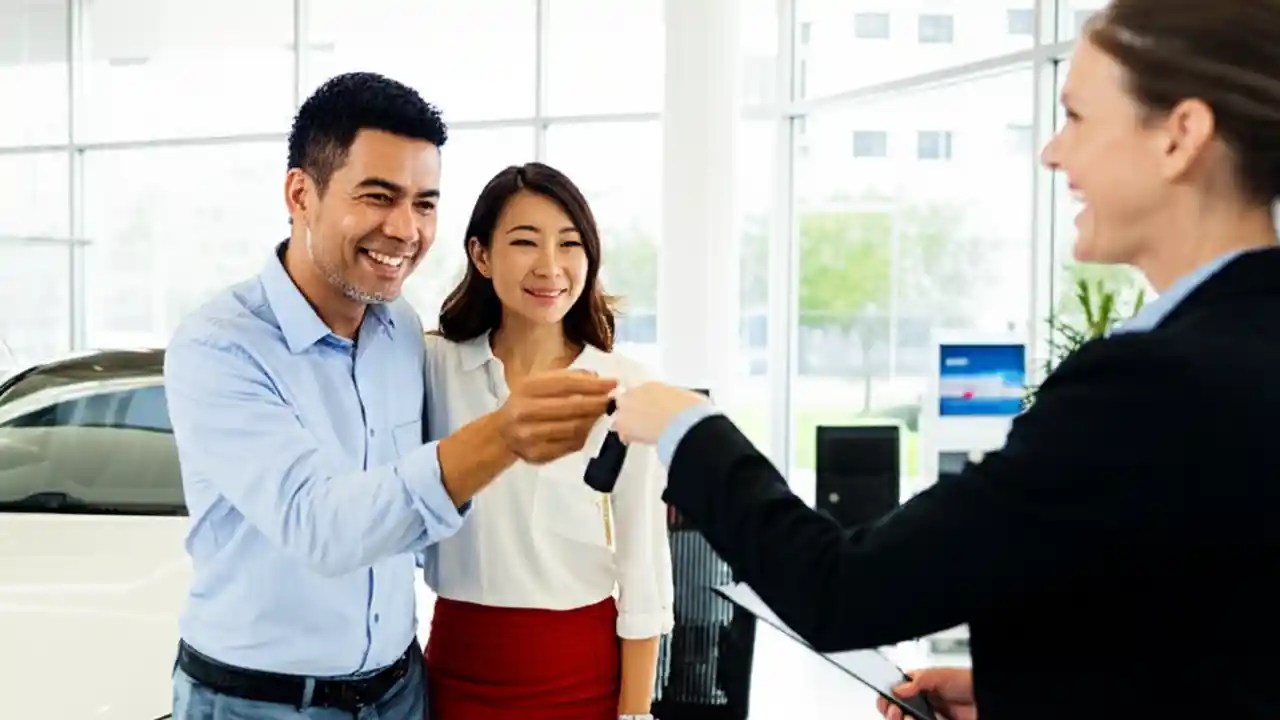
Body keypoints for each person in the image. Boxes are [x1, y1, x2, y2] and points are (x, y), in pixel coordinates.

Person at [609, 1, 1280, 717]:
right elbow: (1217, 636)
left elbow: (843, 589)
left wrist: (688, 426)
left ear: (1180, 136)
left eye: (1078, 116)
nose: (1052, 151)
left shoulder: (1144, 388)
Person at [163, 74, 616, 719]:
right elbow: (322, 526)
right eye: (379, 197)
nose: (405, 229)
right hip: (259, 703)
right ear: (301, 194)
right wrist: (503, 433)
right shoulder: (221, 346)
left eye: (425, 203)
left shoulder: (400, 328)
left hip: (401, 691)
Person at [419, 162, 674, 720]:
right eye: (525, 242)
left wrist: (634, 714)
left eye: (570, 243)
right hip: (457, 674)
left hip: (581, 678)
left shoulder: (623, 386)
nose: (551, 267)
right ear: (481, 256)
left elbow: (643, 568)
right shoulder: (434, 367)